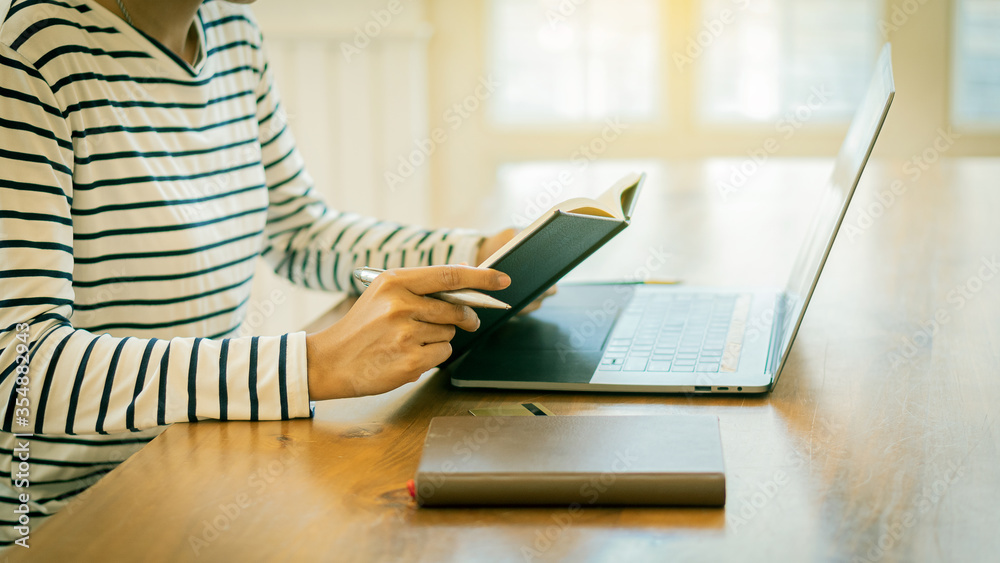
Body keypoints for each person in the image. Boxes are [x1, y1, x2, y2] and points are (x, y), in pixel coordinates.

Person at [0, 0, 546, 545]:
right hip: (62, 519)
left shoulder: (232, 32)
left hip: (195, 462)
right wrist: (311, 365)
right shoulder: (29, 53)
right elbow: (17, 367)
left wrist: (477, 255)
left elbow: (298, 233)